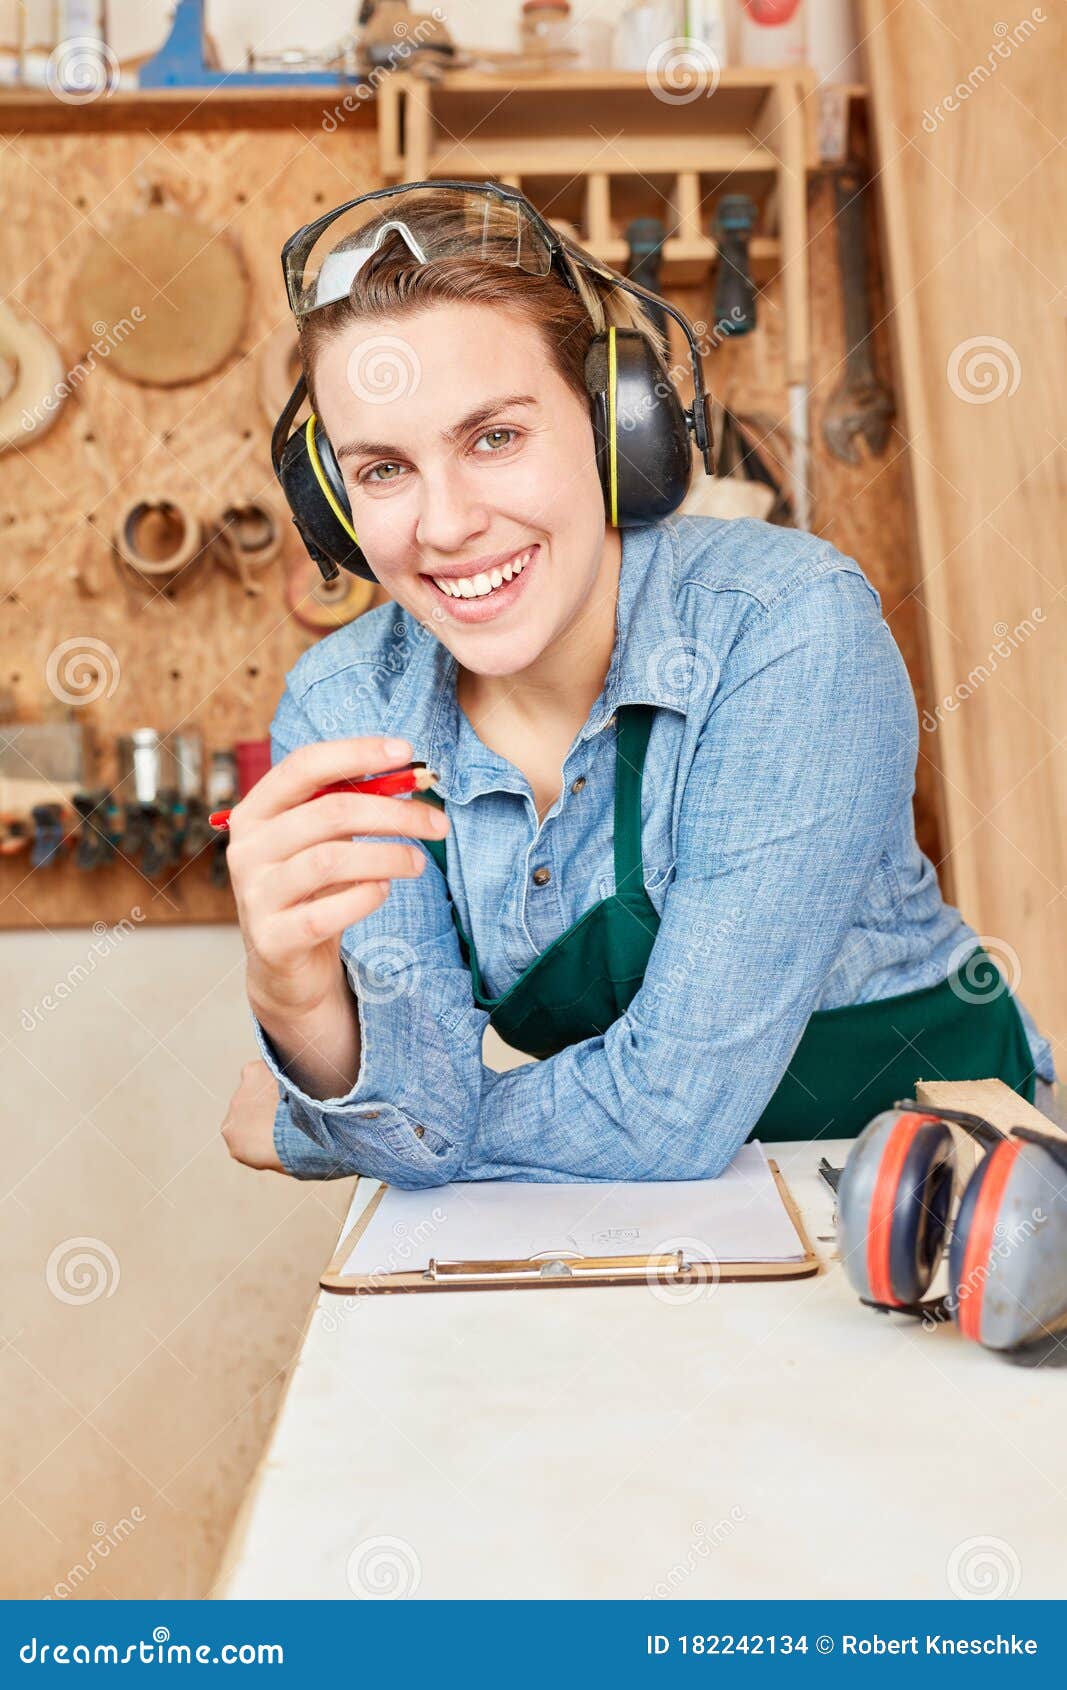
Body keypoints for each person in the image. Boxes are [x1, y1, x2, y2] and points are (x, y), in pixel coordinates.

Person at [222, 183, 1056, 1188]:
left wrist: (322, 1125)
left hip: (932, 1189)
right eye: (384, 470)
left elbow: (663, 1117)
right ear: (330, 499)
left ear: (617, 425)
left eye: (494, 437)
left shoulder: (785, 626)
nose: (443, 527)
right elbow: (418, 1108)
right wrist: (295, 1002)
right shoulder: (346, 704)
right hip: (636, 1220)